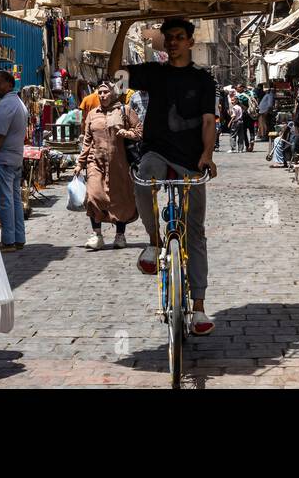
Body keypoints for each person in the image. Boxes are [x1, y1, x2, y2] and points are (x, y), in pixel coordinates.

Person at [112, 17, 218, 336]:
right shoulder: (153, 73)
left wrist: (207, 156)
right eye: (168, 37)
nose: (172, 41)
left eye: (178, 37)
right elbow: (114, 78)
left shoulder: (203, 80)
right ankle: (155, 242)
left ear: (190, 42)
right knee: (143, 177)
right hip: (157, 152)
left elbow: (209, 122)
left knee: (195, 234)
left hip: (191, 161)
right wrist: (122, 28)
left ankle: (198, 309)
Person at [77, 79, 142, 249]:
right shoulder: (92, 114)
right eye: (100, 92)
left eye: (106, 92)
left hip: (119, 163)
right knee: (93, 195)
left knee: (120, 198)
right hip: (95, 162)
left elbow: (139, 132)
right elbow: (87, 141)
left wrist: (126, 133)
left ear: (113, 94)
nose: (103, 95)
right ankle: (96, 235)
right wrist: (80, 163)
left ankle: (120, 235)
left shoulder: (124, 110)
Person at [0, 69, 29, 252]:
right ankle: (18, 237)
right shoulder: (17, 102)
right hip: (14, 157)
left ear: (9, 84)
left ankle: (9, 241)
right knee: (14, 199)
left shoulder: (6, 105)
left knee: (5, 200)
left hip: (4, 158)